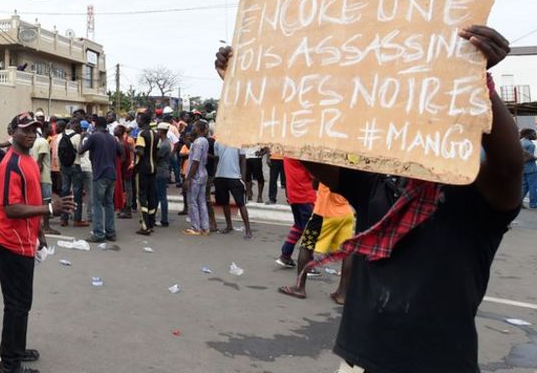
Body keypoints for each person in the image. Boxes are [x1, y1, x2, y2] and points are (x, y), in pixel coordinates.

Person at [215, 25, 522, 373]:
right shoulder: (379, 184)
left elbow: (509, 167)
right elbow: (304, 148)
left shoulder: (476, 199)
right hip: (357, 362)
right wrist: (247, 86)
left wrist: (478, 83)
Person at [0, 111, 75, 373]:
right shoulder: (11, 164)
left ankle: (13, 349)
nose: (29, 134)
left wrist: (40, 232)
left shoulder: (28, 160)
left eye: (34, 130)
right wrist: (50, 210)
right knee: (17, 304)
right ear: (12, 131)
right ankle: (9, 364)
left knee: (21, 303)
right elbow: (11, 208)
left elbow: (32, 198)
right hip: (10, 242)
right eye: (24, 129)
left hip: (25, 239)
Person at [278, 180, 355, 304]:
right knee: (348, 251)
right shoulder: (351, 162)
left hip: (325, 212)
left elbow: (314, 183)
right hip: (346, 212)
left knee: (306, 245)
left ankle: (299, 288)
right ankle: (342, 293)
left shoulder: (327, 162)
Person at [79, 116, 122, 243]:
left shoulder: (94, 136)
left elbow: (81, 150)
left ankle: (98, 233)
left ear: (95, 125)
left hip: (99, 174)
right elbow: (120, 152)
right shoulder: (112, 138)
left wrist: (82, 138)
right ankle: (111, 233)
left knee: (97, 204)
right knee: (109, 203)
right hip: (111, 173)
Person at [276, 158, 317, 268]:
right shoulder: (301, 152)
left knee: (299, 226)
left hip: (294, 194)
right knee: (309, 231)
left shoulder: (289, 152)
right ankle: (308, 264)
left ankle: (285, 254)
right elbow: (313, 173)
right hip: (305, 194)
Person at [212, 140, 252, 238]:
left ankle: (248, 229)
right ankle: (229, 225)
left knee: (241, 203)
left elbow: (243, 159)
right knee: (224, 203)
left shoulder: (238, 140)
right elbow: (216, 160)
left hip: (235, 177)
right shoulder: (217, 142)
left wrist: (243, 177)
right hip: (220, 176)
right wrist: (214, 175)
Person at [57, 119, 86, 228]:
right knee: (77, 193)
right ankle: (77, 219)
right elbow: (80, 152)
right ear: (75, 126)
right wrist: (82, 138)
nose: (80, 129)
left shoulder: (60, 136)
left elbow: (57, 153)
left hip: (64, 167)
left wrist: (61, 166)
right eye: (78, 126)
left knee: (65, 191)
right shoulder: (77, 136)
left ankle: (63, 218)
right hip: (75, 166)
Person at [183, 120, 211, 235]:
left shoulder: (198, 142)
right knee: (202, 201)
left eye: (194, 127)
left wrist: (188, 178)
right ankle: (205, 227)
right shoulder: (204, 141)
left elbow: (195, 161)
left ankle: (196, 227)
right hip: (203, 174)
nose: (192, 129)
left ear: (198, 129)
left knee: (193, 202)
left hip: (196, 176)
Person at [133, 112, 158, 235]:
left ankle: (145, 226)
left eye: (138, 119)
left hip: (143, 168)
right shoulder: (155, 133)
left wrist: (133, 148)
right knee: (151, 196)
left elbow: (141, 152)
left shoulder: (142, 133)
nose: (137, 121)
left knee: (141, 196)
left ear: (143, 121)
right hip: (153, 168)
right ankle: (151, 223)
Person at [30, 122, 58, 235]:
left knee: (37, 203)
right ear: (45, 129)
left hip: (37, 177)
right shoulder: (43, 142)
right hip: (44, 177)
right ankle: (46, 226)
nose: (53, 129)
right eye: (51, 127)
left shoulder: (36, 141)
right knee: (46, 203)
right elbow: (39, 163)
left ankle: (38, 225)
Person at [114, 124, 136, 219]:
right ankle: (124, 208)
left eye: (116, 129)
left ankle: (127, 210)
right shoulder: (121, 142)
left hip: (125, 170)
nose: (114, 130)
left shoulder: (122, 143)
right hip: (124, 170)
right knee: (125, 189)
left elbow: (122, 159)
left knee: (127, 189)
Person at [521, 128, 536, 208]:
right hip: (531, 169)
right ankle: (533, 204)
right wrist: (535, 158)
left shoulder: (521, 142)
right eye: (534, 134)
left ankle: (519, 202)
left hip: (523, 169)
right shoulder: (531, 145)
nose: (535, 135)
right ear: (528, 134)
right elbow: (529, 157)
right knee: (533, 186)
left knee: (524, 186)